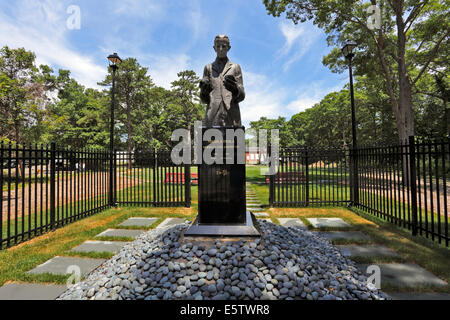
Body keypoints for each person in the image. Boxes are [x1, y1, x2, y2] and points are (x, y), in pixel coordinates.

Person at [200, 35, 245, 127]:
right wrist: (204, 91)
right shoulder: (208, 68)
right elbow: (204, 99)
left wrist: (235, 89)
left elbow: (242, 95)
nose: (221, 49)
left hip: (232, 114)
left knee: (233, 140)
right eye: (218, 46)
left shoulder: (235, 67)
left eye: (224, 46)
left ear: (228, 48)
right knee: (211, 140)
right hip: (213, 114)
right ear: (214, 48)